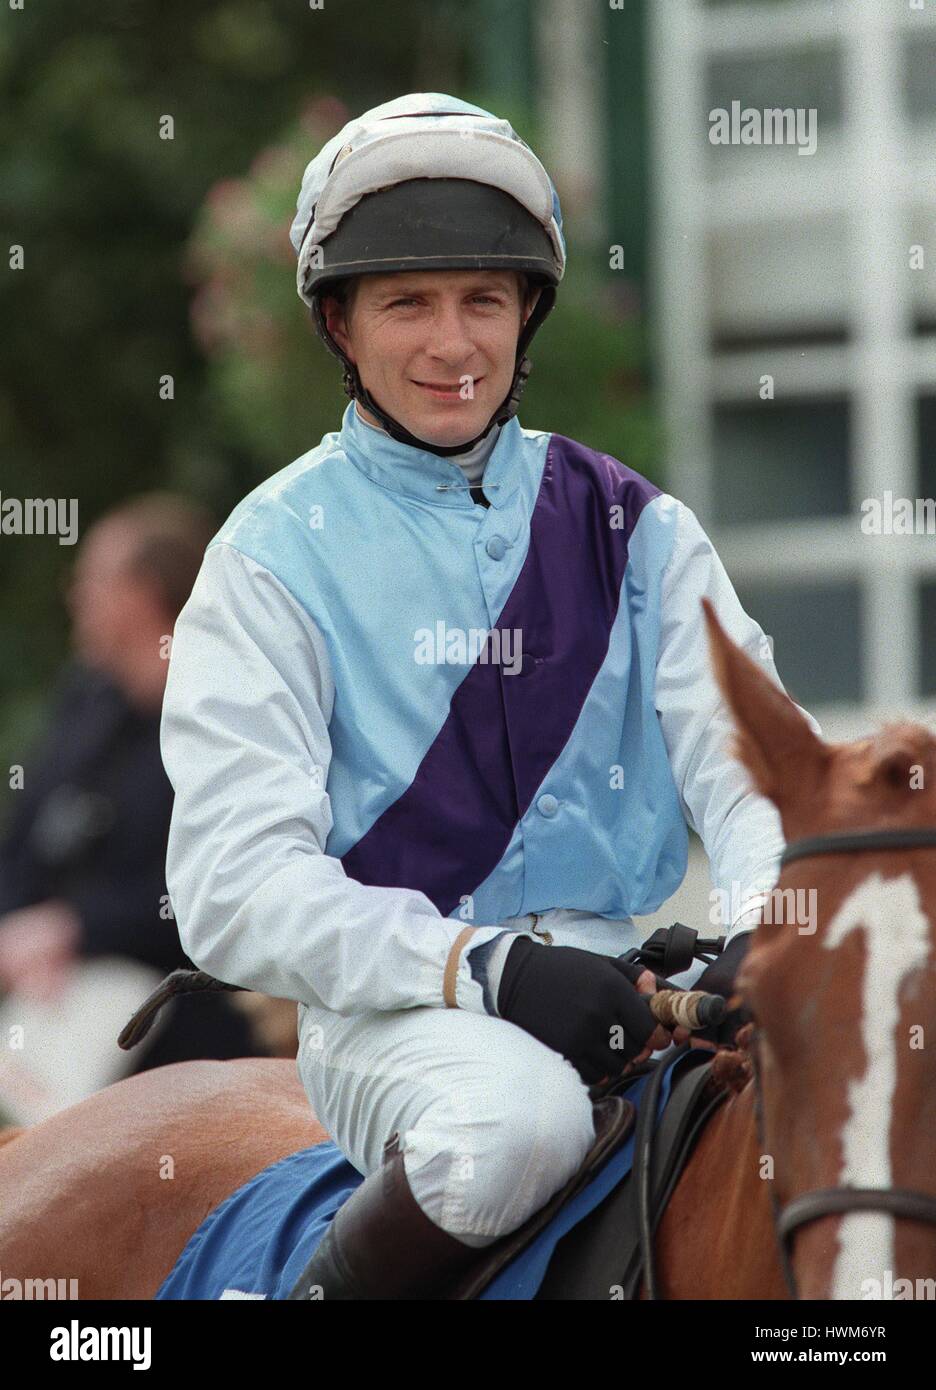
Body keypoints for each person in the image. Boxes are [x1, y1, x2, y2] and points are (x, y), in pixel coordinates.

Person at [160, 93, 822, 1299]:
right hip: (394, 1017)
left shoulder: (638, 527)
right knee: (513, 1127)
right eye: (409, 303)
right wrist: (485, 969)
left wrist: (767, 928)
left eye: (484, 300)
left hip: (637, 987)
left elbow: (758, 768)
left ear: (528, 317)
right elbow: (229, 885)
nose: (453, 343)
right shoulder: (265, 558)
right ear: (340, 325)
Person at [0, 493, 259, 1122]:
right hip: (48, 993)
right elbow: (24, 839)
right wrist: (20, 936)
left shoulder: (226, 720)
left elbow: (218, 892)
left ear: (140, 595)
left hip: (172, 1017)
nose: (74, 594)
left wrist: (77, 930)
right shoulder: (89, 702)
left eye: (92, 578)